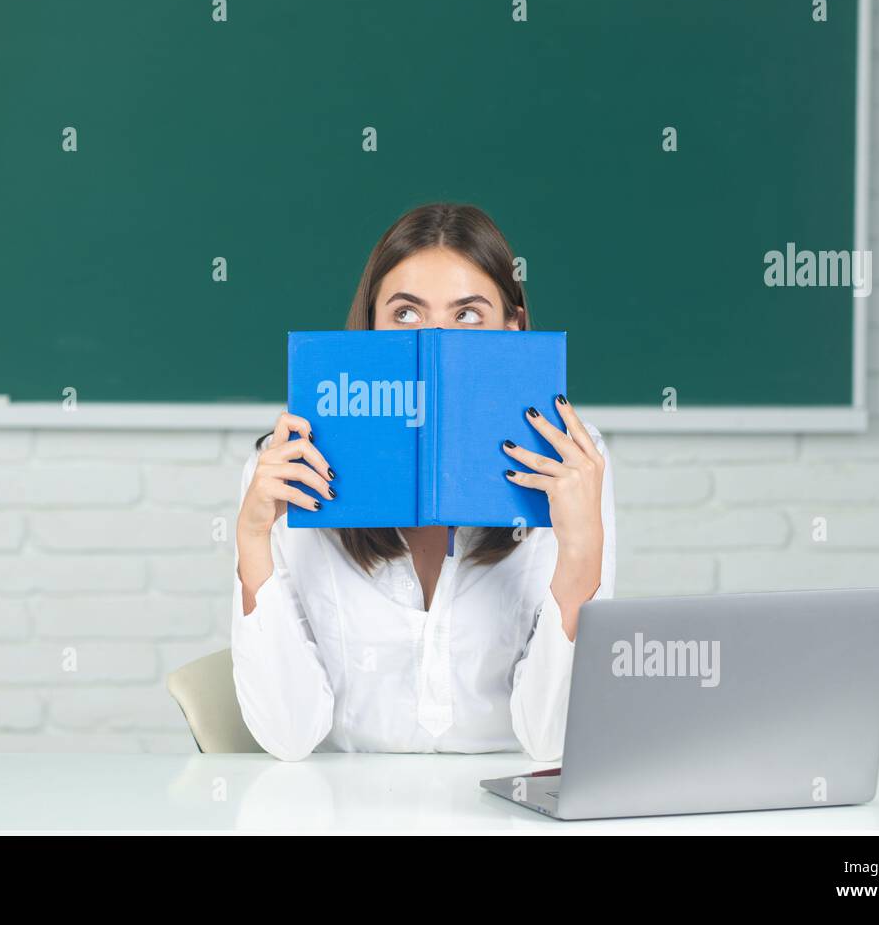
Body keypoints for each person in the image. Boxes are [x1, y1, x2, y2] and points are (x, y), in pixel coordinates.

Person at [232, 203, 616, 761]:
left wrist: (582, 551)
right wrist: (250, 540)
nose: (437, 341)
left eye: (468, 315)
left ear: (515, 327)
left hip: (505, 809)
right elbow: (287, 739)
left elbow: (552, 743)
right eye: (407, 314)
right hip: (343, 806)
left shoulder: (575, 466)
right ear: (370, 329)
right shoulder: (292, 464)